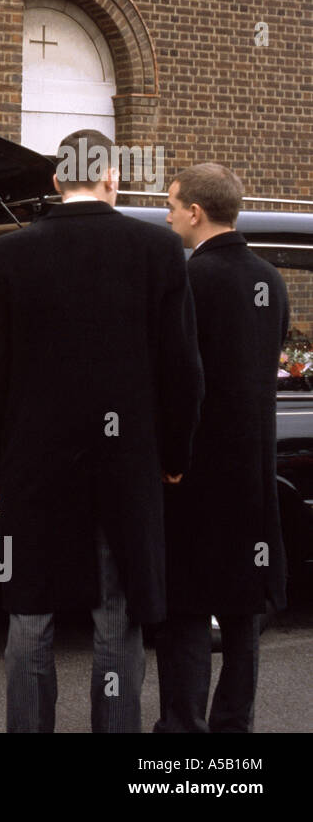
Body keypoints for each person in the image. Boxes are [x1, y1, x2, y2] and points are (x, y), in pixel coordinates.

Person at [0, 129, 204, 733]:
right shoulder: (157, 250)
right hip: (126, 463)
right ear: (111, 178)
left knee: (30, 613)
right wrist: (174, 453)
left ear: (56, 180)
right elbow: (183, 370)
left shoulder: (8, 254)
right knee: (116, 616)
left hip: (36, 464)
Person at [155, 163, 289, 733]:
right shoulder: (271, 281)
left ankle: (182, 731)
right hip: (255, 465)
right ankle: (234, 728)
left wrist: (172, 457)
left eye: (171, 204)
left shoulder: (188, 281)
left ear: (195, 212)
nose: (167, 215)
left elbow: (180, 378)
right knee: (242, 604)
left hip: (199, 469)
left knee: (186, 604)